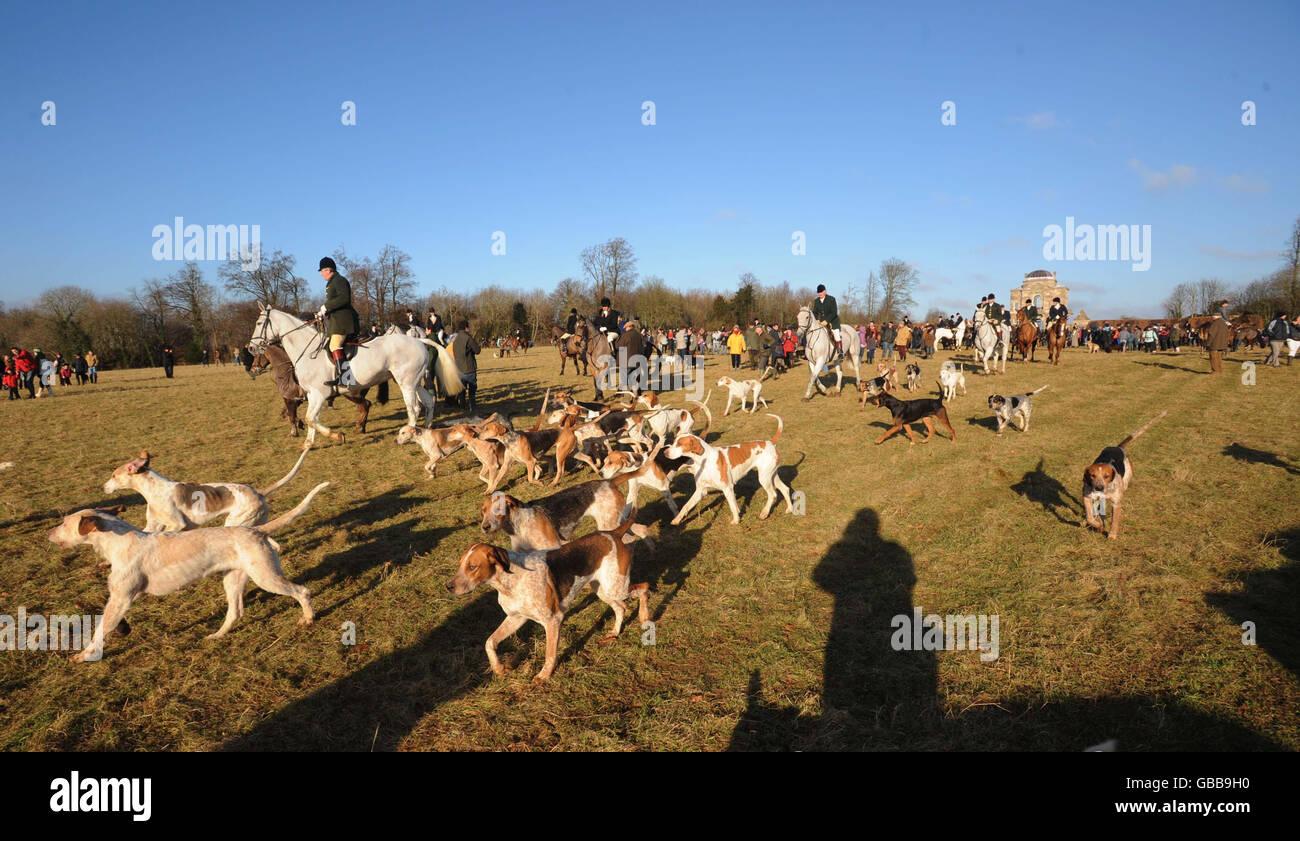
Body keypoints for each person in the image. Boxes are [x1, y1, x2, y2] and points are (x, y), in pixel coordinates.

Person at [317, 257, 362, 389]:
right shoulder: (332, 282)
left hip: (343, 322)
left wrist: (326, 306)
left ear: (328, 270)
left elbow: (344, 298)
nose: (321, 274)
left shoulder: (339, 280)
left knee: (335, 345)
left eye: (322, 271)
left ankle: (346, 377)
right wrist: (323, 312)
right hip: (336, 321)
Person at [448, 318, 479, 413]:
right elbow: (478, 350)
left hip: (459, 368)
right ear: (466, 328)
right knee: (472, 389)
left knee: (462, 391)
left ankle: (463, 407)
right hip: (469, 368)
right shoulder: (468, 337)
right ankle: (473, 407)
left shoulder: (455, 339)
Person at [811, 284, 842, 361]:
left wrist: (827, 321)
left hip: (833, 321)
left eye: (821, 292)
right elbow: (814, 312)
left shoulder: (831, 299)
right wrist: (816, 319)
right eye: (818, 293)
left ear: (825, 291)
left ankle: (840, 351)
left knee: (836, 335)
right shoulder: (816, 301)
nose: (819, 294)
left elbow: (834, 312)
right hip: (821, 322)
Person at [1205, 310, 1229, 374]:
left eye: (1212, 316)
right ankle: (1219, 370)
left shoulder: (1215, 324)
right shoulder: (1224, 323)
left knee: (1213, 357)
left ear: (1216, 316)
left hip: (1214, 344)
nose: (1212, 317)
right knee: (1219, 358)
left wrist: (1208, 344)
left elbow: (1211, 335)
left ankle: (1215, 371)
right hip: (1222, 343)